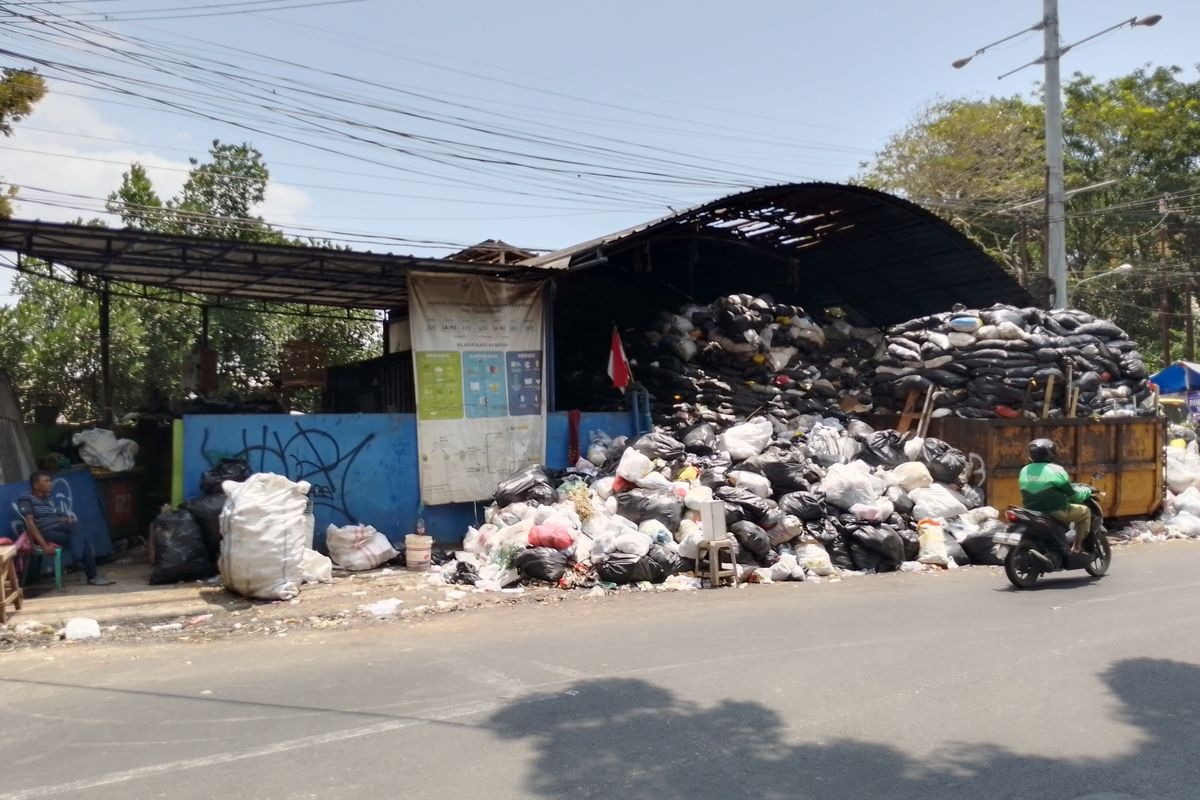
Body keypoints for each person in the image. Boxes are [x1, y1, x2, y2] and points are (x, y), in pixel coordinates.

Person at [17, 470, 115, 586]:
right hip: (46, 532)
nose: (50, 484)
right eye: (46, 481)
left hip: (58, 528)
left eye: (50, 481)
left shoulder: (49, 498)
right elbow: (30, 523)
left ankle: (81, 563)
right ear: (36, 485)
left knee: (78, 530)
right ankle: (88, 572)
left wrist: (65, 520)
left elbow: (53, 517)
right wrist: (44, 545)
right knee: (83, 537)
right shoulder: (26, 498)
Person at [1017, 439, 1092, 554]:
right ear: (1051, 453)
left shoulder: (1025, 470)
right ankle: (1077, 547)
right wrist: (1087, 491)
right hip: (1055, 512)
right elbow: (1075, 496)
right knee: (1086, 512)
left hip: (1031, 512)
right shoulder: (1056, 470)